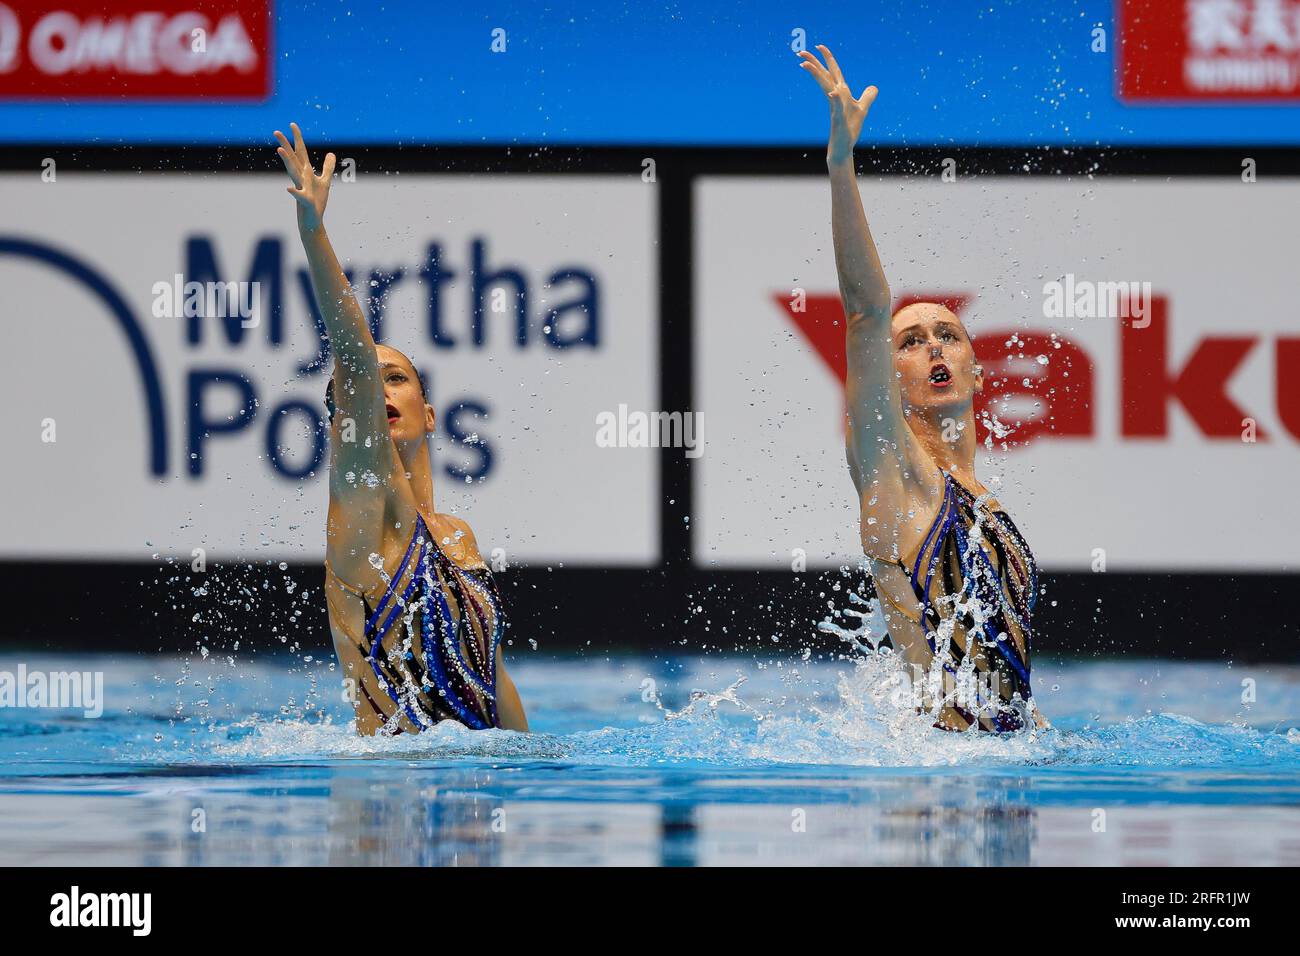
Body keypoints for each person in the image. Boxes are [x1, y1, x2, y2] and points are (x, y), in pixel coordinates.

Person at [798, 47, 1048, 732]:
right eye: (911, 342)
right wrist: (841, 164)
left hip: (1001, 771)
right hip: (938, 790)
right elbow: (865, 312)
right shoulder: (894, 473)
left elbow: (1006, 671)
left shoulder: (976, 491)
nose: (932, 345)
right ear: (892, 377)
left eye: (948, 334)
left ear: (977, 370)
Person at [275, 123, 528, 734]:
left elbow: (493, 687)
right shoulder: (361, 511)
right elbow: (355, 361)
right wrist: (314, 233)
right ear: (342, 423)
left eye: (399, 379)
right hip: (383, 803)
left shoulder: (457, 538)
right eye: (361, 393)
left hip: (469, 800)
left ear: (429, 412)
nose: (376, 392)